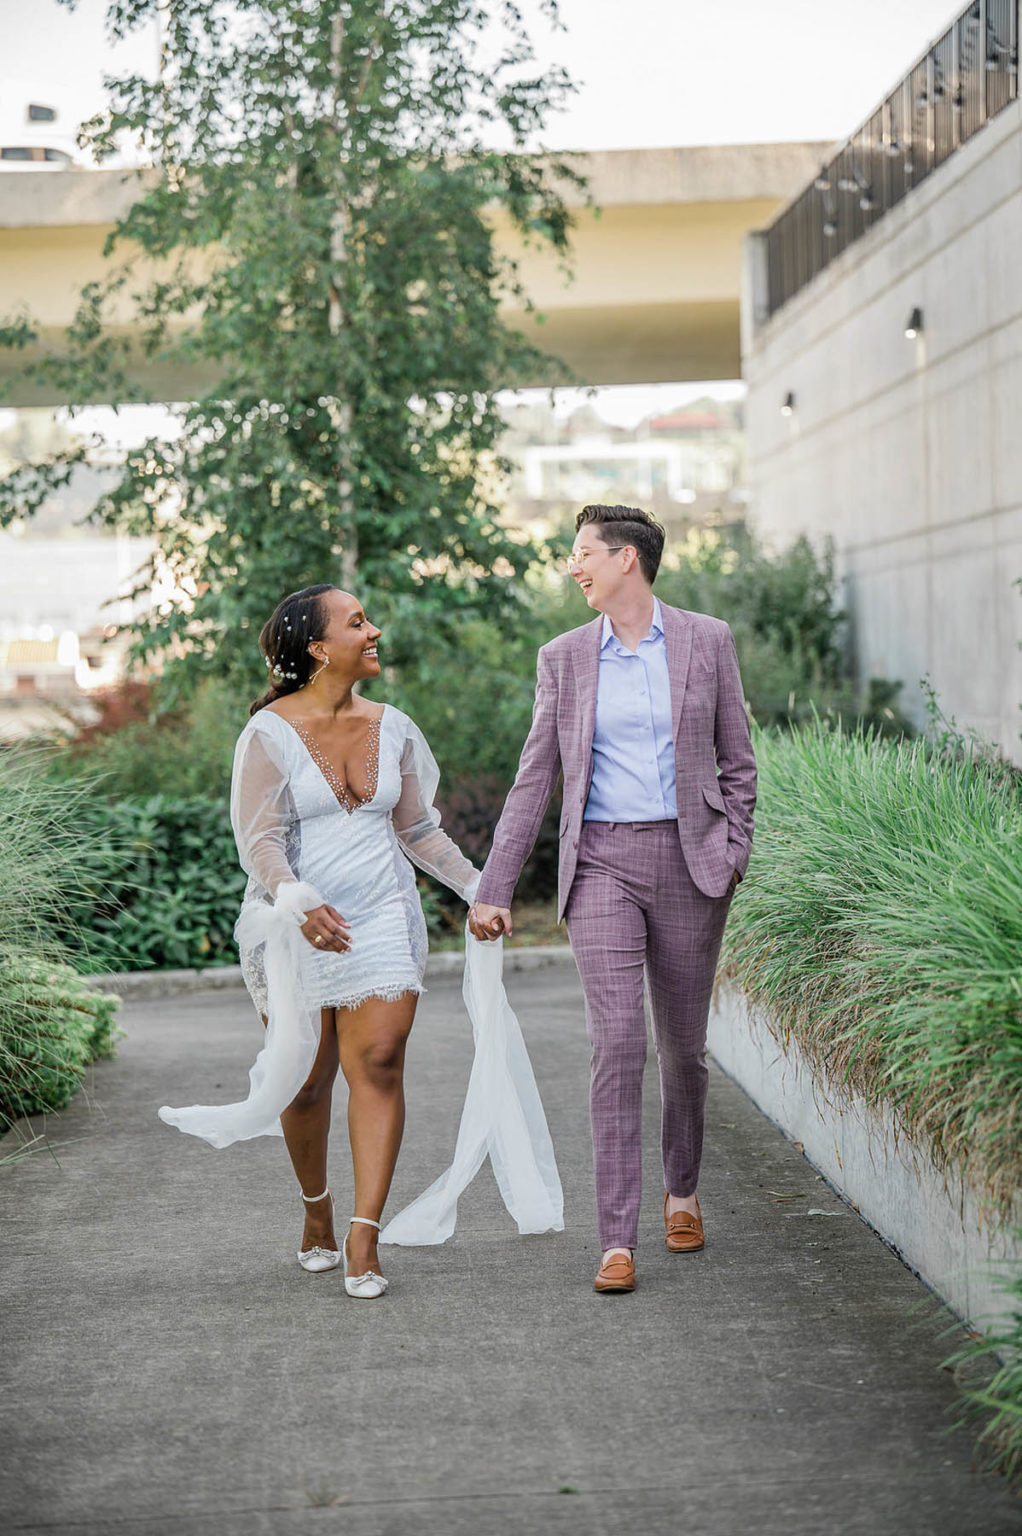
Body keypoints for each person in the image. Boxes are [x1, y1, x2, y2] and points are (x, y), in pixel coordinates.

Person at [160, 583, 562, 1297]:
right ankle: (317, 1212)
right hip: (295, 925)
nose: (373, 630)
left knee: (378, 1061)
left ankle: (364, 1233)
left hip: (380, 917)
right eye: (357, 623)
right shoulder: (269, 734)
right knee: (307, 1081)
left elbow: (417, 830)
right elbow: (260, 841)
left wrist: (480, 889)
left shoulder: (395, 726)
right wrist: (298, 901)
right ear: (318, 647)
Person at [469, 504, 756, 1294]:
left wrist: (733, 852)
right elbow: (535, 778)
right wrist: (493, 887)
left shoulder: (707, 640)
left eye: (583, 553)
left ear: (628, 559)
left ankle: (683, 1189)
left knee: (683, 1053)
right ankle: (617, 1237)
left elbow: (739, 760)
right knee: (618, 1043)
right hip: (599, 862)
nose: (574, 566)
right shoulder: (563, 658)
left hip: (691, 862)